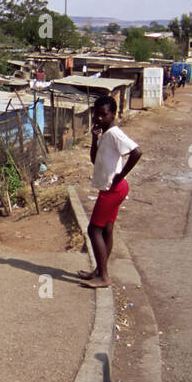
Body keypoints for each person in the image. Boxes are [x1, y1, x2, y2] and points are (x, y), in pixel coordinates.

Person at [81, 95, 141, 289]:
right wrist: (94, 137)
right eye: (96, 115)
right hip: (110, 188)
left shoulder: (115, 133)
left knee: (93, 230)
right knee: (106, 229)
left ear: (113, 114)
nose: (98, 118)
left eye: (103, 115)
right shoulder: (105, 134)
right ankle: (99, 270)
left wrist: (121, 174)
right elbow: (94, 159)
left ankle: (104, 276)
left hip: (113, 189)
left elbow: (137, 152)